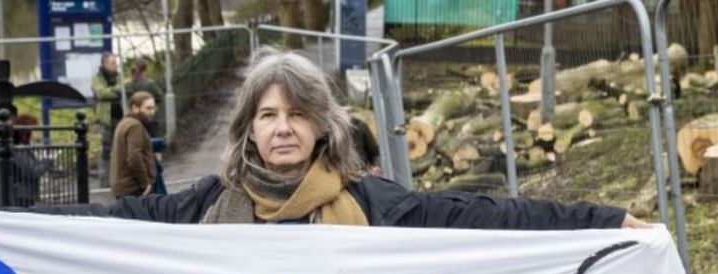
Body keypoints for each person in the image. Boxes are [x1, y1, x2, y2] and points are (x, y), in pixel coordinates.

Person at [38, 47, 646, 230]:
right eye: (270, 114)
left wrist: (606, 220)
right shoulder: (201, 208)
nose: (283, 128)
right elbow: (108, 222)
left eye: (298, 115)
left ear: (322, 124)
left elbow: (483, 215)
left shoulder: (370, 204)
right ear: (249, 125)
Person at [109, 92, 157, 198]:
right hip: (133, 188)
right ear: (135, 108)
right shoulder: (135, 126)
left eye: (153, 108)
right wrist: (145, 183)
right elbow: (134, 157)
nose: (152, 112)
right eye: (148, 108)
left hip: (123, 186)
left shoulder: (124, 123)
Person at [91, 52, 123, 189]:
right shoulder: (96, 78)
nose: (116, 65)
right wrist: (116, 91)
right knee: (105, 150)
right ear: (104, 64)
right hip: (106, 120)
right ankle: (104, 180)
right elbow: (101, 93)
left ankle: (120, 179)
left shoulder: (119, 76)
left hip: (120, 117)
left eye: (116, 62)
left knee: (121, 149)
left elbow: (124, 89)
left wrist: (111, 91)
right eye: (112, 63)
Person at [127, 58, 165, 138]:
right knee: (153, 138)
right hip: (149, 116)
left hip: (134, 116)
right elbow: (160, 96)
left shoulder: (128, 84)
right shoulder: (149, 84)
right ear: (145, 70)